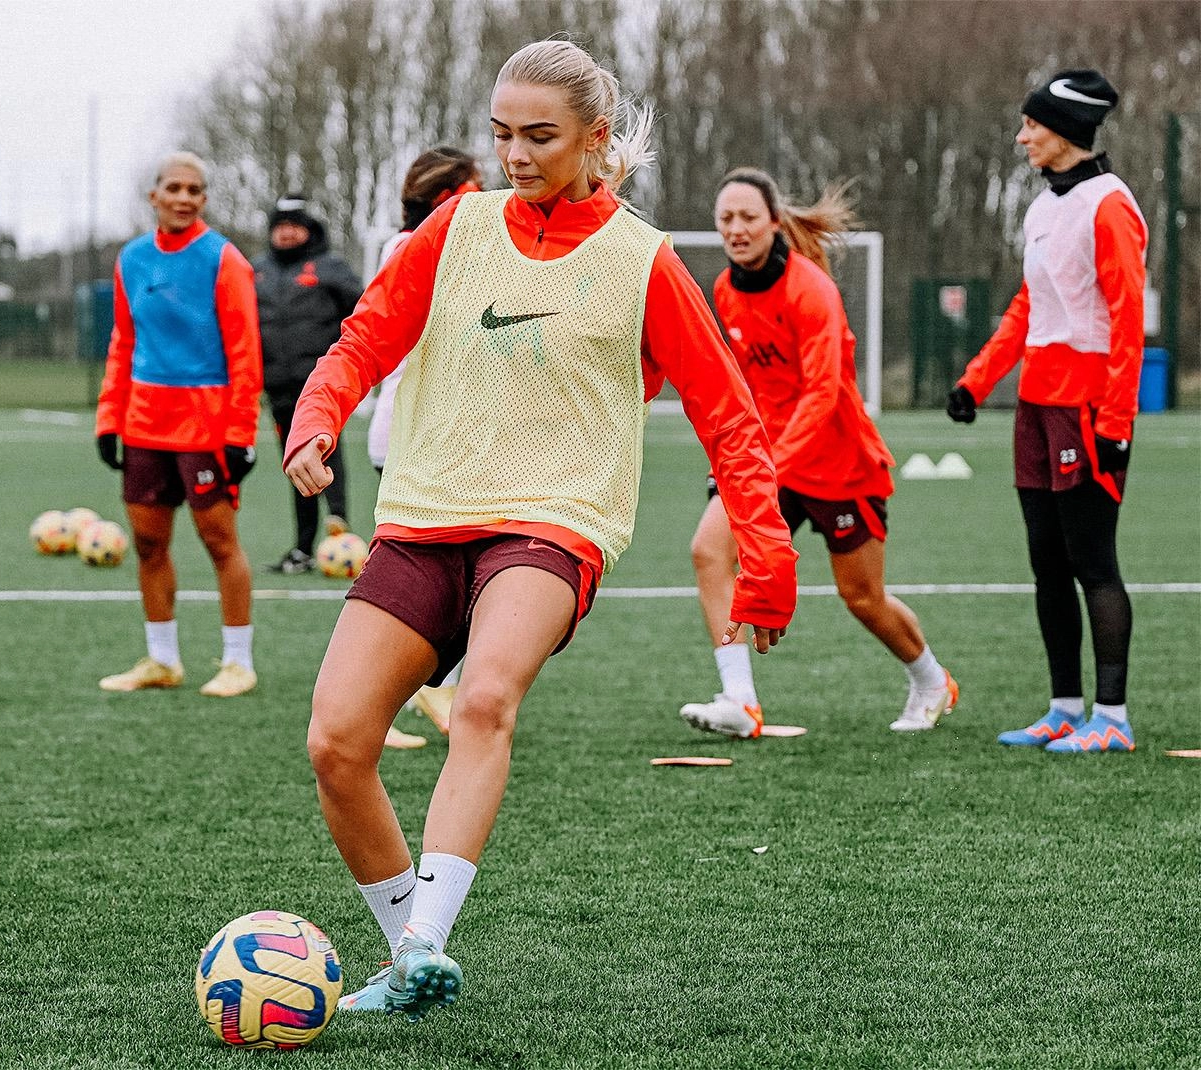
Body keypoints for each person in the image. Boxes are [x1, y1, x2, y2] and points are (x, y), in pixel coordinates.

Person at [283, 40, 797, 1021]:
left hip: (553, 526)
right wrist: (316, 419)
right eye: (501, 133)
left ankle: (428, 935)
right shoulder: (455, 227)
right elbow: (363, 338)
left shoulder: (643, 262)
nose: (515, 154)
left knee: (484, 699)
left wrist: (766, 563)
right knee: (336, 742)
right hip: (426, 516)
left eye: (539, 135)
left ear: (595, 139)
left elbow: (730, 417)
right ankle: (406, 957)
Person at [680, 169, 957, 736]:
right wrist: (735, 461)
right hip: (771, 461)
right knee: (710, 552)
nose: (736, 229)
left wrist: (770, 465)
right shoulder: (726, 291)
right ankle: (740, 701)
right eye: (726, 219)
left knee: (862, 599)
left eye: (748, 217)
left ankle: (932, 681)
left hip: (840, 462)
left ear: (774, 222)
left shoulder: (811, 290)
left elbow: (824, 393)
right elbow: (745, 388)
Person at [947, 69, 1146, 753]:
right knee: (1046, 559)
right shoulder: (1042, 208)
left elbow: (1126, 323)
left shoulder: (1110, 205)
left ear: (1063, 131)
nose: (1020, 136)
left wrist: (1117, 426)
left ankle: (1112, 718)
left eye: (1030, 125)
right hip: (1036, 405)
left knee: (1094, 559)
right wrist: (978, 381)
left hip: (1088, 408)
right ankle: (1065, 706)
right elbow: (1031, 309)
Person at [94, 151, 263, 698]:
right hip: (144, 424)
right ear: (155, 196)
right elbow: (123, 341)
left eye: (195, 190)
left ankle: (238, 661)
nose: (185, 198)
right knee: (147, 544)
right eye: (174, 188)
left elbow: (245, 353)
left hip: (206, 427)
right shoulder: (133, 259)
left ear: (204, 199)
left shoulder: (225, 260)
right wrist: (108, 418)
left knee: (219, 544)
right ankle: (161, 660)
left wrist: (240, 435)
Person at [366, 146, 483, 740]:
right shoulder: (414, 249)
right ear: (444, 199)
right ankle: (385, 697)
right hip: (416, 435)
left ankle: (435, 691)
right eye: (472, 188)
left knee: (458, 575)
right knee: (406, 584)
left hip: (440, 435)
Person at [254, 196, 364, 574]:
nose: (286, 231)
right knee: (294, 463)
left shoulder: (330, 267)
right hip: (279, 388)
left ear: (308, 229)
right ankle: (302, 548)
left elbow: (365, 313)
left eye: (294, 224)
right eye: (279, 225)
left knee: (327, 452)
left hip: (322, 385)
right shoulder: (258, 272)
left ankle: (341, 530)